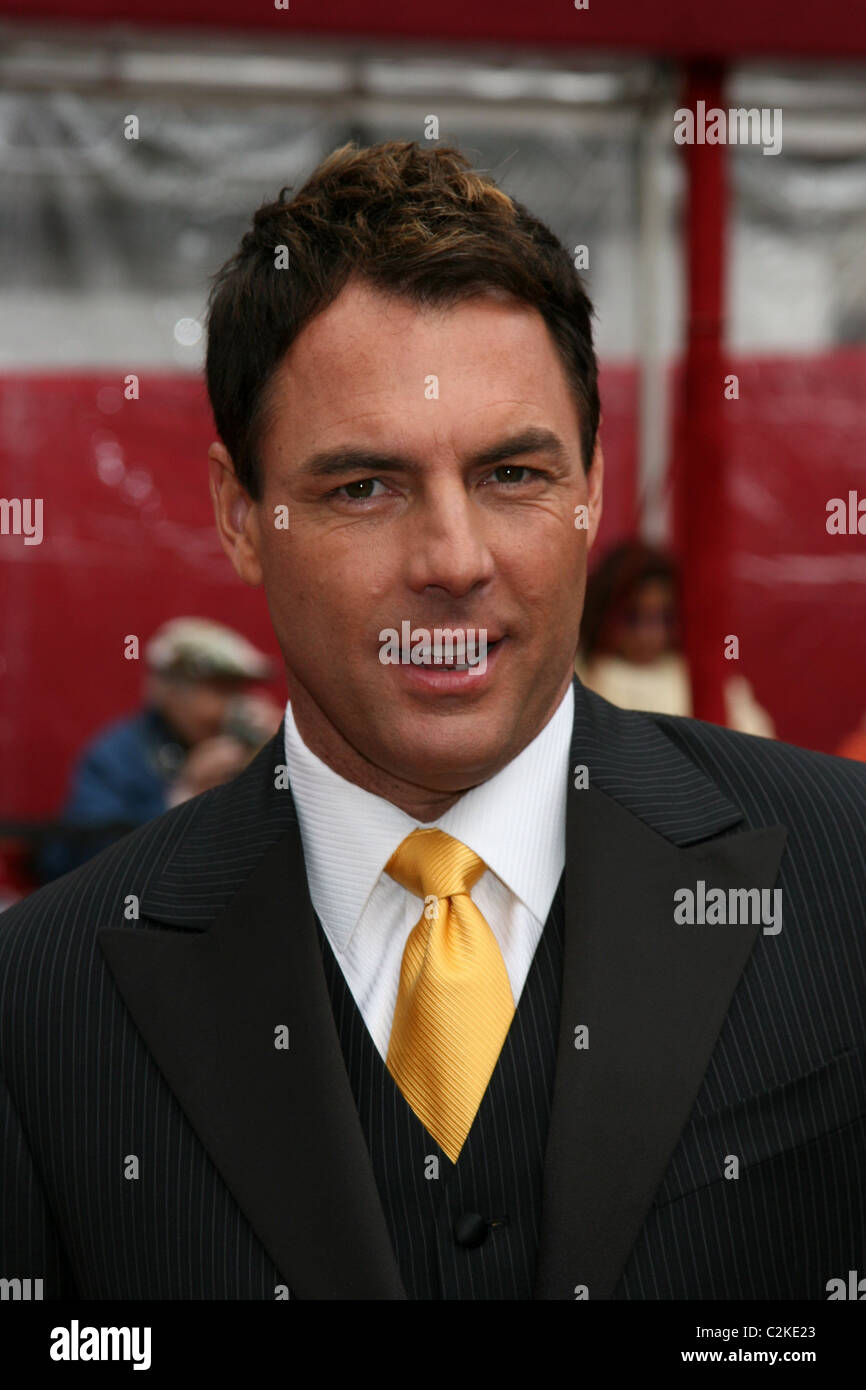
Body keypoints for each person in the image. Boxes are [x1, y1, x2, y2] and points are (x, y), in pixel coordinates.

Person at [1, 141, 864, 1302]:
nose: (453, 560)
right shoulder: (42, 1005)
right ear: (240, 514)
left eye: (512, 473)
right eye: (363, 486)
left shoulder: (843, 873)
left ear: (593, 485)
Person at [36, 617, 281, 881]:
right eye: (218, 689)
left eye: (238, 690)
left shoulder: (255, 745)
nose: (232, 707)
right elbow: (85, 860)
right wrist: (185, 796)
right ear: (169, 690)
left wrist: (279, 755)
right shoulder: (117, 757)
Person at [577, 540, 775, 735]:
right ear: (601, 615)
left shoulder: (706, 679)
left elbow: (755, 745)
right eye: (632, 618)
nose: (650, 635)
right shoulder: (576, 679)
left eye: (666, 618)